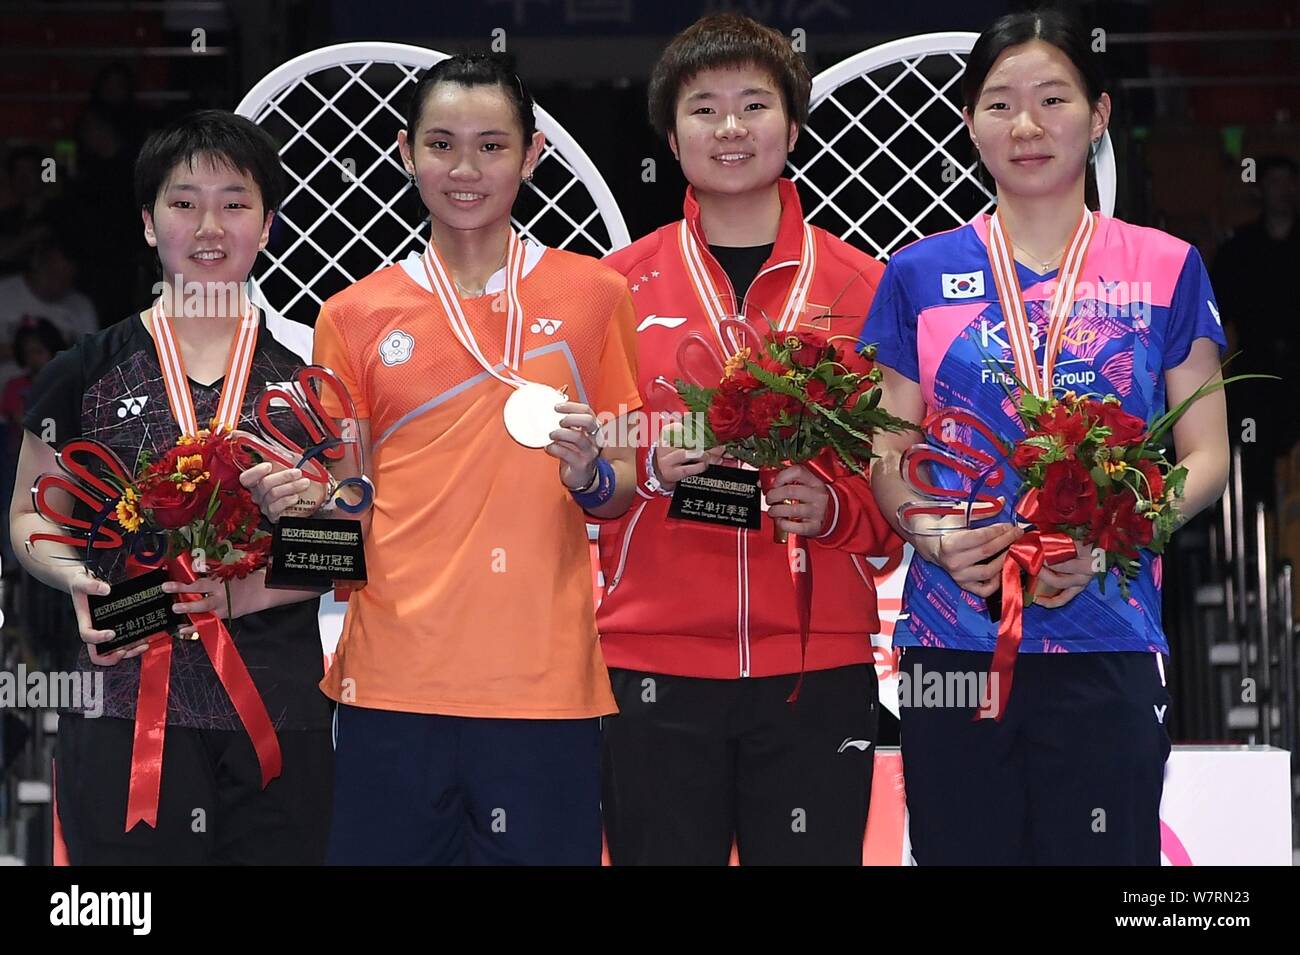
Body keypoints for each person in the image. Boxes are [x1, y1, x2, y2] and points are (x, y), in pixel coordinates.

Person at [247, 53, 642, 865]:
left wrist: (589, 475)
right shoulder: (352, 315)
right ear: (405, 152)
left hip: (544, 690)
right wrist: (295, 502)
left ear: (532, 157)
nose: (466, 169)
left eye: (492, 146)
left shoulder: (596, 294)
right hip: (389, 685)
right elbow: (342, 500)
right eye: (443, 144)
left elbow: (622, 483)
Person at [866, 9, 1230, 865]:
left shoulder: (1165, 266)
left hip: (1109, 629)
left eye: (1052, 99)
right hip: (952, 640)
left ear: (1098, 116)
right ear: (969, 124)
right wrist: (933, 532)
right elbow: (885, 450)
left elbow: (1208, 450)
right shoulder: (917, 274)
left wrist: (1115, 539)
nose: (1025, 126)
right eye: (998, 104)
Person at [595, 13, 901, 866]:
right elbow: (585, 477)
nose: (730, 128)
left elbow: (898, 475)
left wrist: (838, 508)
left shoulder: (867, 287)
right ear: (670, 132)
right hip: (651, 664)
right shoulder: (613, 289)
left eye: (754, 105)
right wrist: (649, 465)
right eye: (704, 108)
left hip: (818, 664)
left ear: (793, 126)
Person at [8, 110, 333, 864]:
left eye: (235, 201)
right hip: (123, 703)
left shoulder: (313, 381)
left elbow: (347, 546)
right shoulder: (82, 370)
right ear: (150, 224)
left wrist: (239, 594)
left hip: (279, 713)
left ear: (269, 222)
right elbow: (28, 512)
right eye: (184, 202)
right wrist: (72, 575)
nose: (209, 224)